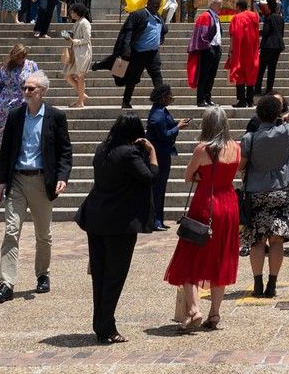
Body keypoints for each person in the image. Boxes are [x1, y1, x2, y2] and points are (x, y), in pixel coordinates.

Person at [0, 72, 71, 304]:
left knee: (43, 234)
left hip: (42, 180)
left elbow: (65, 150)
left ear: (42, 91)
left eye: (31, 89)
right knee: (11, 231)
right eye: (24, 88)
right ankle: (6, 283)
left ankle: (43, 274)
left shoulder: (55, 116)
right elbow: (5, 150)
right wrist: (1, 181)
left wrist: (62, 176)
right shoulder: (15, 116)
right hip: (17, 180)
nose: (26, 92)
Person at [77, 112, 156, 343]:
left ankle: (100, 323)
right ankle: (107, 325)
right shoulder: (129, 153)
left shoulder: (103, 149)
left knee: (100, 274)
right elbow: (150, 177)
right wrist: (152, 152)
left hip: (96, 217)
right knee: (115, 274)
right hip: (119, 222)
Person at [164, 107, 243, 332]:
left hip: (205, 204)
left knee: (189, 256)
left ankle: (194, 309)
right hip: (228, 204)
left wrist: (200, 176)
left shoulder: (202, 149)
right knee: (221, 257)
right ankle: (215, 313)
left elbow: (188, 176)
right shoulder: (236, 147)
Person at [239, 93, 289, 295]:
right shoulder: (284, 132)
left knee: (257, 239)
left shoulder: (249, 138)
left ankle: (257, 283)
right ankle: (272, 284)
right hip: (280, 189)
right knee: (277, 239)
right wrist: (287, 116)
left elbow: (241, 166)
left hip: (256, 190)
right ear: (276, 114)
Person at [0, 42, 38, 148]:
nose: (21, 59)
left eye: (23, 56)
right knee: (3, 131)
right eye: (18, 57)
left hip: (23, 102)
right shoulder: (5, 68)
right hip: (5, 102)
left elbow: (38, 82)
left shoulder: (31, 66)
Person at [148, 84, 181, 231]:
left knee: (161, 188)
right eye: (168, 95)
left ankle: (159, 219)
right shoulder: (158, 114)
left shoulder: (161, 111)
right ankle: (155, 220)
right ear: (162, 97)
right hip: (159, 155)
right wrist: (178, 127)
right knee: (158, 188)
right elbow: (164, 135)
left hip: (163, 154)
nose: (170, 98)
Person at [186, 0, 224, 109]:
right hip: (207, 49)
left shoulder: (216, 17)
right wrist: (209, 48)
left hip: (216, 48)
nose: (221, 7)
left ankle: (208, 98)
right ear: (213, 4)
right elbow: (202, 35)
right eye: (219, 4)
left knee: (212, 76)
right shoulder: (205, 16)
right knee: (204, 76)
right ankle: (201, 99)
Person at [226, 0, 262, 109]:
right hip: (252, 50)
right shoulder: (254, 16)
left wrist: (230, 51)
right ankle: (250, 100)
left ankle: (242, 100)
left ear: (238, 7)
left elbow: (234, 35)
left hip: (240, 51)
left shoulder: (236, 18)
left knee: (240, 74)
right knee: (251, 74)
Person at [60, 6, 93, 108]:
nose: (71, 14)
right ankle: (82, 96)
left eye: (73, 12)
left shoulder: (85, 23)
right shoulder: (77, 22)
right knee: (67, 75)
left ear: (77, 13)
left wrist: (73, 41)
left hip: (82, 53)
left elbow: (87, 39)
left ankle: (80, 101)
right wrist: (69, 36)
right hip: (75, 51)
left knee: (80, 77)